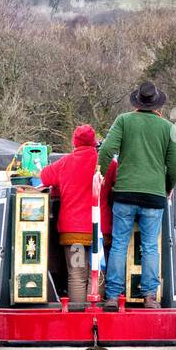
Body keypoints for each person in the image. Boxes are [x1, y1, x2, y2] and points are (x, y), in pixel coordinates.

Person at [97, 79, 176, 310]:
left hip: (124, 193)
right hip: (153, 197)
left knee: (118, 244)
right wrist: (166, 188)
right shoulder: (169, 128)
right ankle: (149, 298)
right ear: (158, 106)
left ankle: (113, 297)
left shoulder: (124, 121)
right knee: (150, 247)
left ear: (137, 102)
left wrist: (103, 175)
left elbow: (106, 150)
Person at [39, 126, 117, 311]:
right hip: (98, 230)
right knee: (97, 272)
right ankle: (95, 310)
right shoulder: (108, 164)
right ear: (94, 142)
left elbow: (44, 176)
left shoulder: (65, 163)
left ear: (75, 143)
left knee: (76, 273)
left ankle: (77, 313)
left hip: (73, 233)